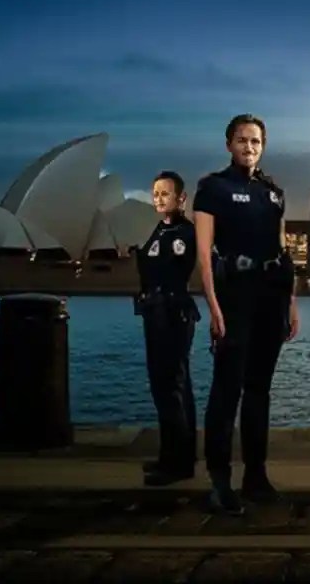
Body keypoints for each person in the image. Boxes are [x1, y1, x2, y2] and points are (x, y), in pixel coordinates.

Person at [193, 113, 301, 515]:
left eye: (255, 141)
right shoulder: (213, 189)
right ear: (229, 144)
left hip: (270, 299)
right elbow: (204, 255)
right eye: (242, 140)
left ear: (263, 146)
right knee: (226, 391)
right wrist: (214, 305)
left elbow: (282, 251)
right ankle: (219, 482)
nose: (249, 147)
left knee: (259, 391)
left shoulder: (273, 192)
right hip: (233, 299)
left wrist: (291, 302)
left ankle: (256, 477)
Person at [134, 170, 201, 487]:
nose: (160, 198)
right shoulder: (159, 230)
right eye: (156, 193)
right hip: (156, 312)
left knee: (171, 386)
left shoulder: (186, 232)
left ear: (181, 198)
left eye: (166, 193)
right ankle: (173, 456)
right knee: (169, 386)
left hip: (172, 313)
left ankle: (178, 463)